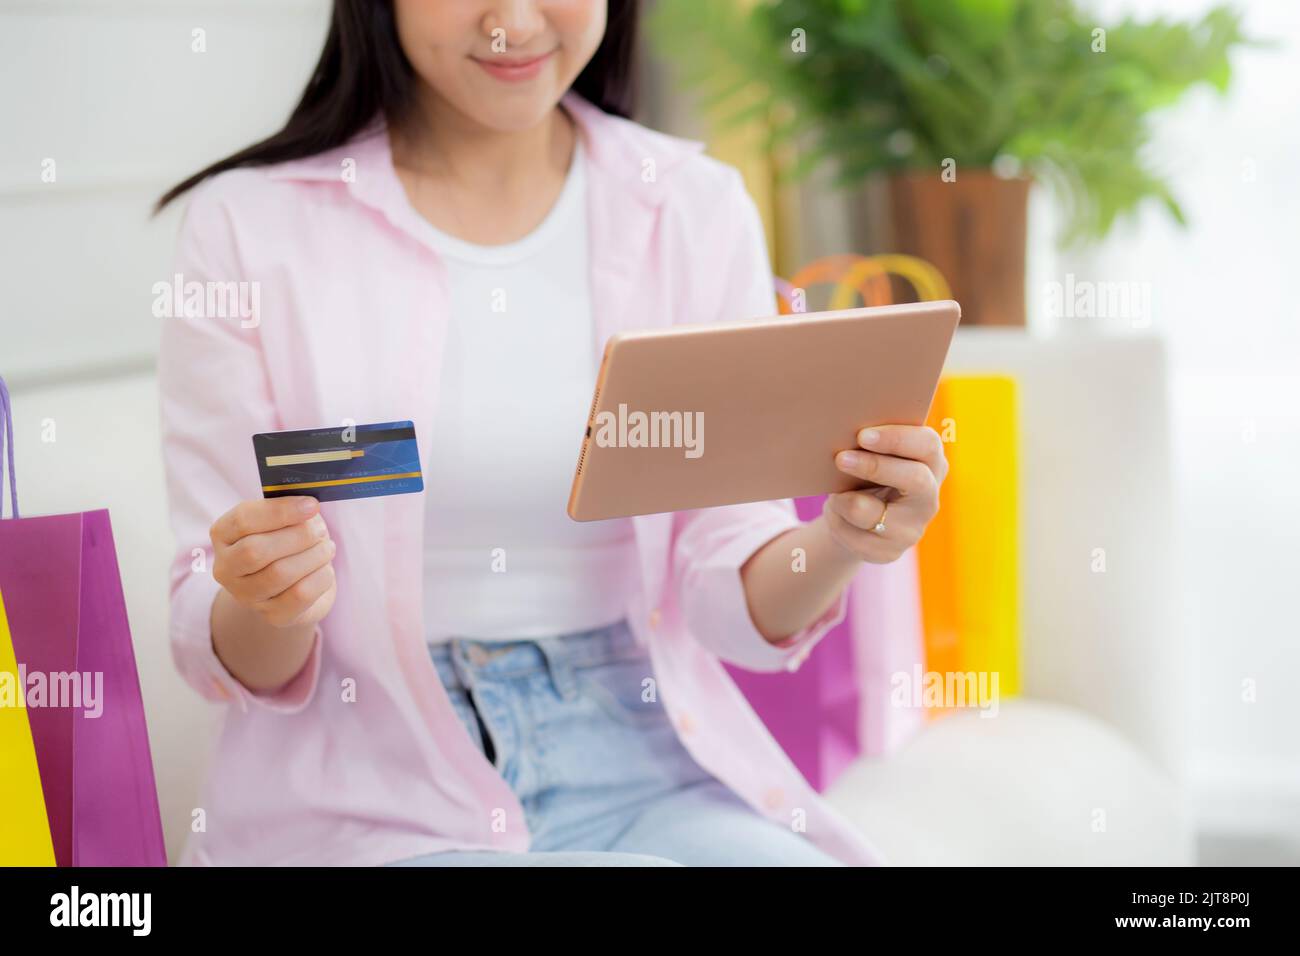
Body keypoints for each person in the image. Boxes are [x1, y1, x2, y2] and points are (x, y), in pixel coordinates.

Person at [156, 0, 947, 866]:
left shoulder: (691, 206)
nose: (516, 19)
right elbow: (218, 636)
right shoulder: (247, 228)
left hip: (638, 751)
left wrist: (836, 541)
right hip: (369, 795)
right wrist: (267, 599)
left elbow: (726, 588)